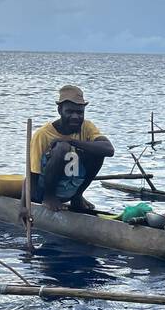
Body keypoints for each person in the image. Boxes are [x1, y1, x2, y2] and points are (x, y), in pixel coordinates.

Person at [24, 85, 114, 216]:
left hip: (69, 188)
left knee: (98, 152)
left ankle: (77, 196)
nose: (75, 117)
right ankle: (50, 198)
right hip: (42, 192)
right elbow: (31, 175)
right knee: (62, 148)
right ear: (60, 110)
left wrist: (71, 141)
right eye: (70, 112)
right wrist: (25, 206)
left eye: (79, 113)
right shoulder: (42, 134)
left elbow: (109, 149)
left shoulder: (86, 127)